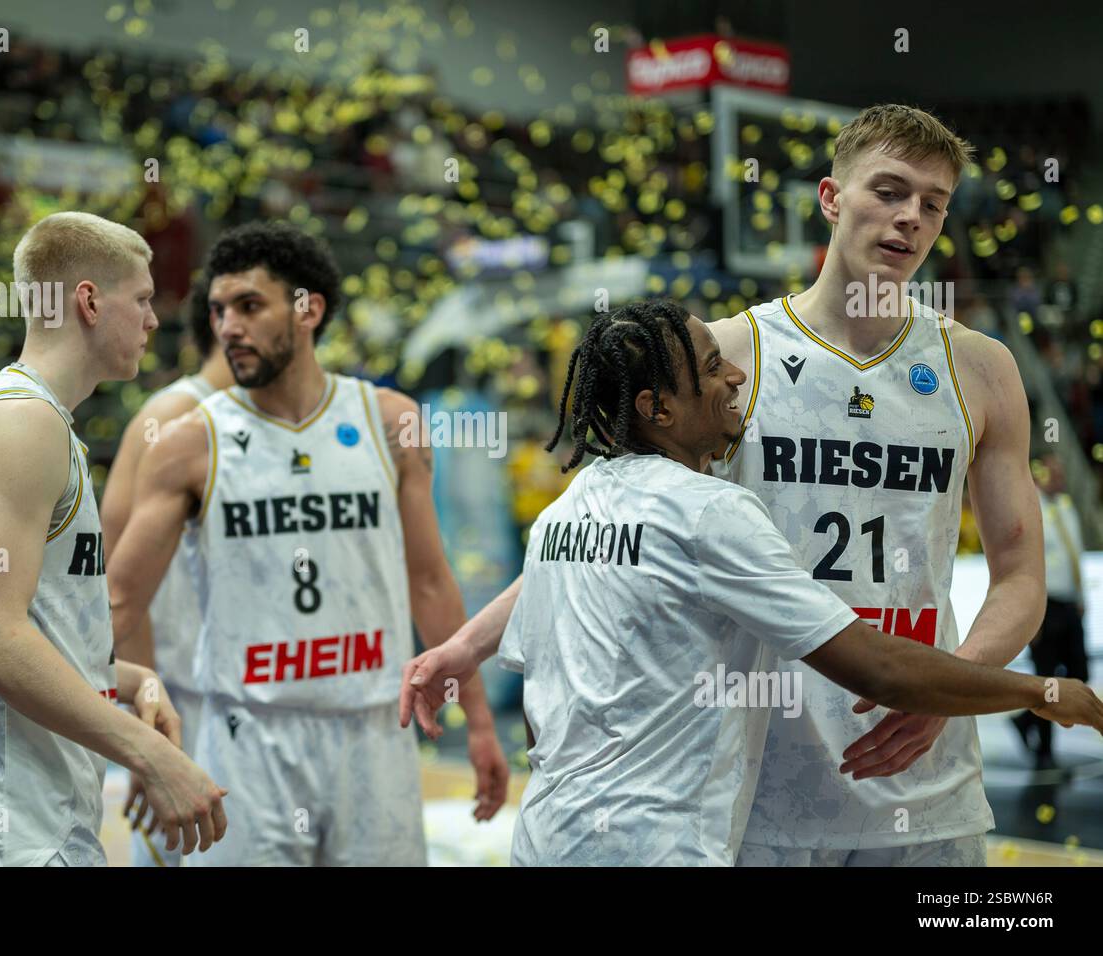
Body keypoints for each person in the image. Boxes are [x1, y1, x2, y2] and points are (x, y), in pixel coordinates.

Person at [415, 105, 1048, 867]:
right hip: (758, 784)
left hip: (927, 781)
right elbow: (615, 538)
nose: (910, 217)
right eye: (889, 190)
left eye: (933, 203)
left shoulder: (980, 367)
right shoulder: (722, 359)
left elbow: (1020, 579)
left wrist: (956, 689)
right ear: (831, 197)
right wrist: (465, 645)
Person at [399, 300, 1103, 866]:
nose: (735, 377)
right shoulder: (709, 511)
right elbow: (881, 667)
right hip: (660, 844)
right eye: (711, 369)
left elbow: (538, 701)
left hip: (550, 834)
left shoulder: (563, 514)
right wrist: (1042, 692)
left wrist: (464, 646)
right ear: (659, 409)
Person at [107, 221, 509, 866]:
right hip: (246, 737)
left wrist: (482, 723)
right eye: (217, 310)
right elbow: (120, 602)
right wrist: (131, 742)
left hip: (377, 727)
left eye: (248, 306)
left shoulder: (390, 421)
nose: (227, 327)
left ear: (307, 310)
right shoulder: (188, 440)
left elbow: (430, 581)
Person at [0, 211, 227, 866]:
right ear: (89, 301)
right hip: (3, 836)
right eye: (144, 299)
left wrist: (137, 680)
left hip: (2, 816)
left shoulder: (26, 416)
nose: (155, 320)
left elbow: (4, 629)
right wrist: (149, 753)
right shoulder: (25, 422)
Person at [101, 284, 234, 867]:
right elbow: (114, 585)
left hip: (243, 697)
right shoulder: (174, 415)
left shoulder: (277, 419)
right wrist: (146, 731)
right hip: (181, 697)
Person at [1011, 453, 1088, 770]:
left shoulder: (1066, 507)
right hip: (1044, 606)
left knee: (1079, 673)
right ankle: (1044, 749)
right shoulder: (1031, 511)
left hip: (1069, 605)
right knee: (1045, 679)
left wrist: (1080, 595)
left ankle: (1025, 720)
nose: (1060, 477)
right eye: (1053, 472)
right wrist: (1031, 614)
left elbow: (1075, 554)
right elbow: (1027, 566)